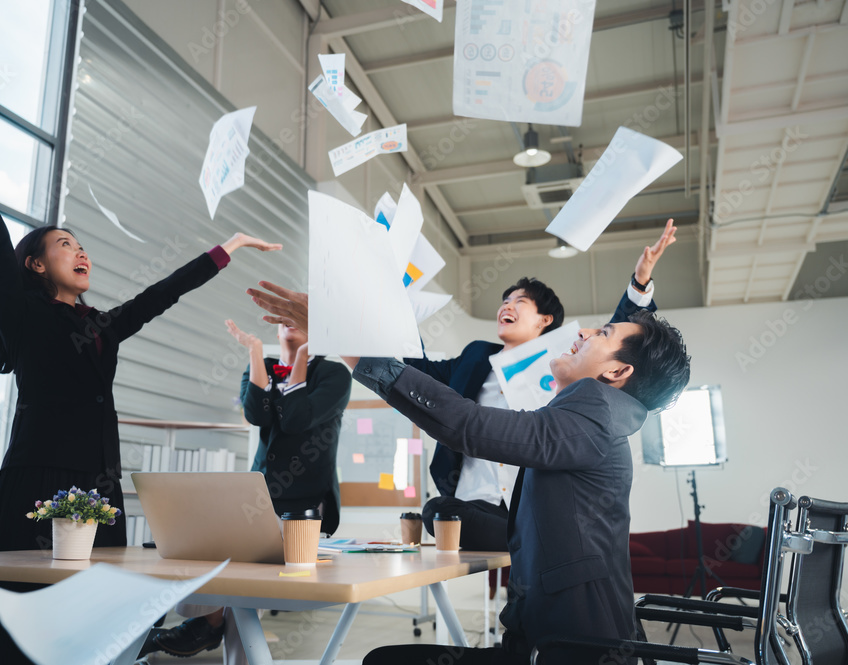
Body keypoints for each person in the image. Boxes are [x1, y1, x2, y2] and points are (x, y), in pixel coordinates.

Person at [0, 98, 281, 665]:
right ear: (35, 265)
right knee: (23, 633)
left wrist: (226, 247)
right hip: (36, 485)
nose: (78, 249)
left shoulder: (101, 328)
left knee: (100, 629)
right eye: (64, 244)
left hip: (100, 491)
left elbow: (162, 293)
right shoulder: (22, 310)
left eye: (80, 245)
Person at [247, 284, 691, 665]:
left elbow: (466, 426)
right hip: (549, 642)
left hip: (570, 649)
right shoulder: (602, 415)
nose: (583, 332)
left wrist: (341, 335)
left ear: (617, 371)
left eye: (603, 333)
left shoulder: (596, 414)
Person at [408, 221, 676, 552]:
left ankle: (528, 542)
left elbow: (619, 343)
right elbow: (417, 371)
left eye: (519, 301)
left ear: (544, 320)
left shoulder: (561, 360)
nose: (506, 305)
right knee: (439, 513)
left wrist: (640, 282)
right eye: (504, 300)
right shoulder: (476, 356)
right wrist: (399, 310)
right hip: (471, 500)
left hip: (530, 502)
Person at [140, 319, 350, 659]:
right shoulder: (263, 366)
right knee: (221, 563)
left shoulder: (334, 374)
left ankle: (207, 625)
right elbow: (256, 415)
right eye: (283, 318)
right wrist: (255, 352)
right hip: (259, 492)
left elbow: (296, 419)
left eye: (297, 316)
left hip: (305, 502)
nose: (289, 322)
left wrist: (302, 359)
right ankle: (207, 621)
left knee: (248, 588)